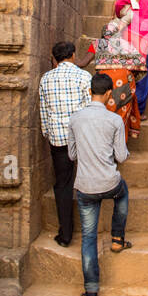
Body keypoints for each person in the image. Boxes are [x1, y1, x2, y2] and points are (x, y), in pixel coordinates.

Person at [67, 72, 131, 296]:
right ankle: (117, 237)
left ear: (89, 92)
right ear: (108, 94)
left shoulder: (75, 118)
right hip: (109, 183)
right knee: (122, 194)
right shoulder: (114, 120)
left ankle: (91, 291)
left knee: (88, 238)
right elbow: (121, 156)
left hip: (85, 186)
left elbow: (72, 155)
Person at [38, 41, 92, 249]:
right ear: (72, 55)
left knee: (63, 185)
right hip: (81, 137)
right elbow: (89, 107)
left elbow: (44, 111)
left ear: (54, 58)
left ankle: (65, 234)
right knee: (86, 180)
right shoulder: (83, 76)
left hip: (58, 139)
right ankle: (89, 229)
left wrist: (48, 133)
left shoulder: (46, 79)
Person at [92, 16, 147, 140]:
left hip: (104, 82)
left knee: (105, 111)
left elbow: (83, 62)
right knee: (122, 112)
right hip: (125, 79)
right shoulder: (126, 44)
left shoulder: (97, 44)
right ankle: (120, 146)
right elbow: (141, 64)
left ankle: (105, 144)